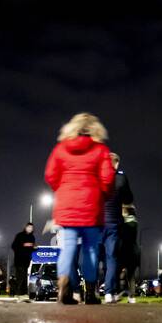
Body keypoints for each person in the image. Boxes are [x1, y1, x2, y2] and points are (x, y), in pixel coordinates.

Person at [44, 113, 115, 305]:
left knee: (67, 248)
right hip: (91, 205)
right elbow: (108, 179)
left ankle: (64, 290)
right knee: (91, 250)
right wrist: (102, 194)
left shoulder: (61, 148)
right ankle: (90, 293)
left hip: (67, 205)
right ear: (94, 129)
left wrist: (63, 188)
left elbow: (50, 175)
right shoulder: (100, 150)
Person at [101, 152, 135, 303]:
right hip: (113, 223)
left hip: (97, 223)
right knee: (112, 258)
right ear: (116, 163)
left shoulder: (96, 176)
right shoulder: (120, 176)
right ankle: (109, 292)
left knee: (94, 257)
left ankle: (89, 291)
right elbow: (129, 198)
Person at [11, 222, 37, 296]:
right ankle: (19, 293)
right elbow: (13, 246)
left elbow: (31, 248)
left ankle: (24, 294)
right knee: (20, 277)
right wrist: (23, 246)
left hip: (26, 260)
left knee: (25, 277)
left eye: (31, 228)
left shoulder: (32, 237)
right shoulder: (20, 235)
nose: (30, 229)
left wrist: (34, 248)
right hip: (19, 260)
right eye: (28, 227)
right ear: (25, 227)